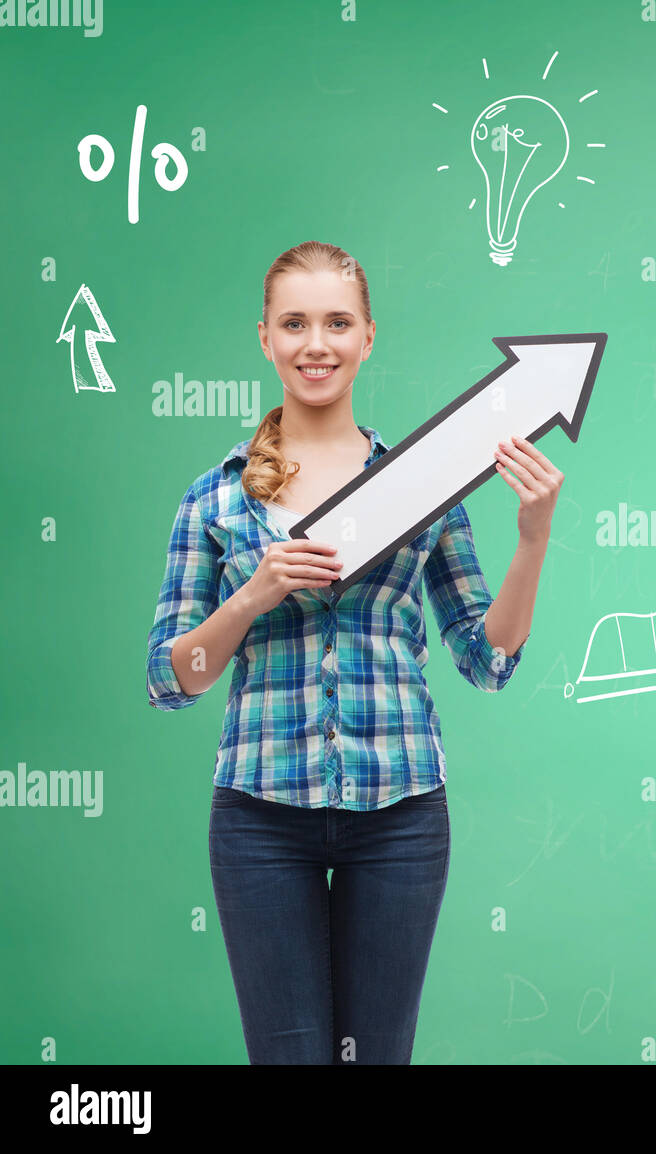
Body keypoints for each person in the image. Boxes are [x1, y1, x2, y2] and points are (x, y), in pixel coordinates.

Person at [145, 239, 562, 1064]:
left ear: (368, 337)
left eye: (338, 323)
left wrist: (534, 535)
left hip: (400, 816)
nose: (316, 344)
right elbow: (171, 679)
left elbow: (489, 658)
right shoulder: (216, 496)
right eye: (294, 324)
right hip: (261, 818)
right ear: (264, 338)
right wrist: (256, 593)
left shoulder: (427, 483)